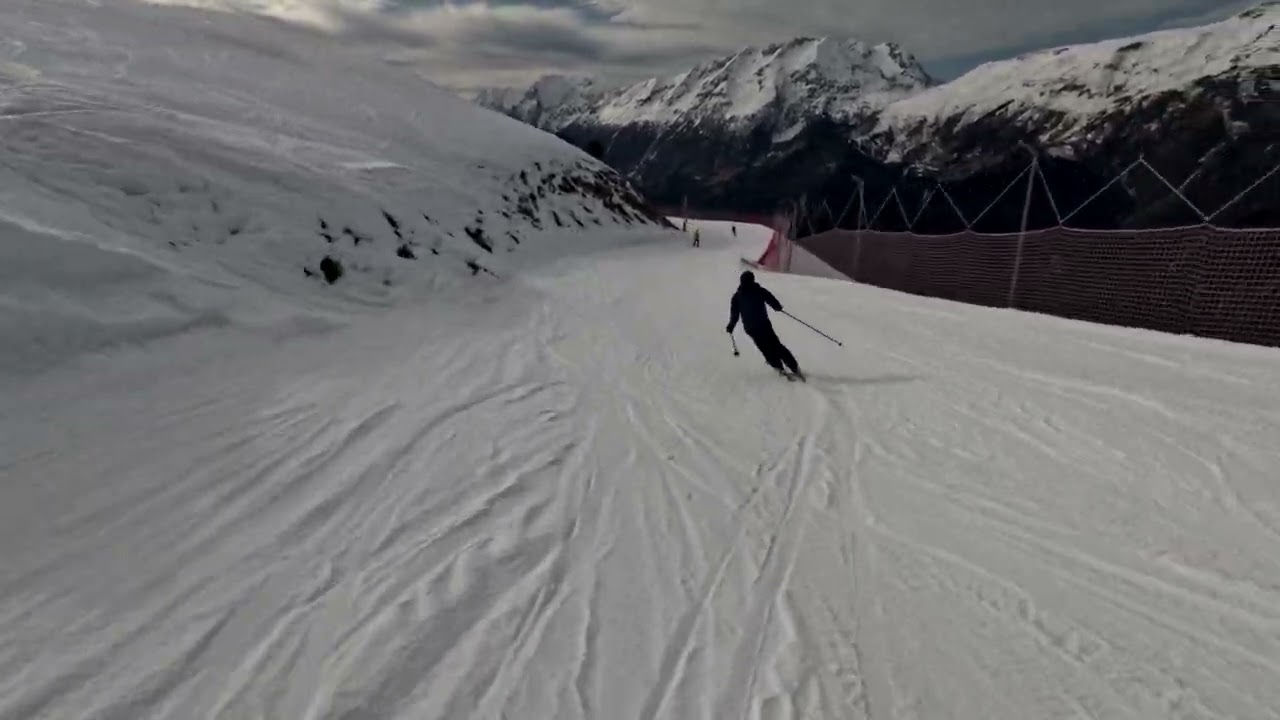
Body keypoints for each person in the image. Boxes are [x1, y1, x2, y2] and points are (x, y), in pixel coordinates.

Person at [726, 271, 804, 380]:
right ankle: (792, 367)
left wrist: (731, 326)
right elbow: (771, 299)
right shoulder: (757, 291)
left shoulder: (738, 296)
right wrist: (777, 307)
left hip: (752, 328)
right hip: (762, 325)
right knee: (775, 346)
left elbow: (735, 315)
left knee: (766, 348)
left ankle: (780, 367)